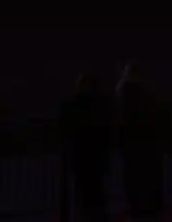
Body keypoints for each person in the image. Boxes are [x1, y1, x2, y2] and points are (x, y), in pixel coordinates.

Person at [116, 61, 164, 218]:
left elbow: (122, 118)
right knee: (142, 175)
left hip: (131, 142)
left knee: (132, 175)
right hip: (144, 142)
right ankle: (145, 206)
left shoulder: (124, 92)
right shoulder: (146, 93)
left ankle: (135, 206)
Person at [61, 72, 110, 222]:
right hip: (94, 159)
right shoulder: (99, 107)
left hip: (81, 158)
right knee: (95, 196)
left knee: (82, 196)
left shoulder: (74, 106)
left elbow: (66, 130)